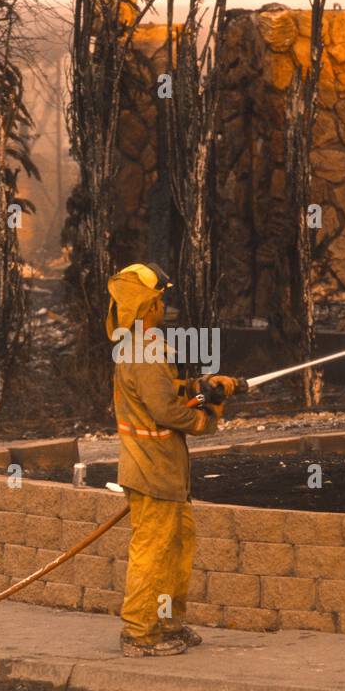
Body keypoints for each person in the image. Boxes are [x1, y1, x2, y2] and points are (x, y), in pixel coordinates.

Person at [105, 263, 241, 657]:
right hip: (152, 472)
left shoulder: (141, 348)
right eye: (160, 299)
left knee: (177, 549)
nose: (164, 305)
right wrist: (206, 416)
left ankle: (167, 623)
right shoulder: (145, 353)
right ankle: (139, 633)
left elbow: (165, 394)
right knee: (152, 553)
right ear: (148, 305)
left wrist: (203, 388)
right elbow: (166, 412)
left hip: (165, 472)